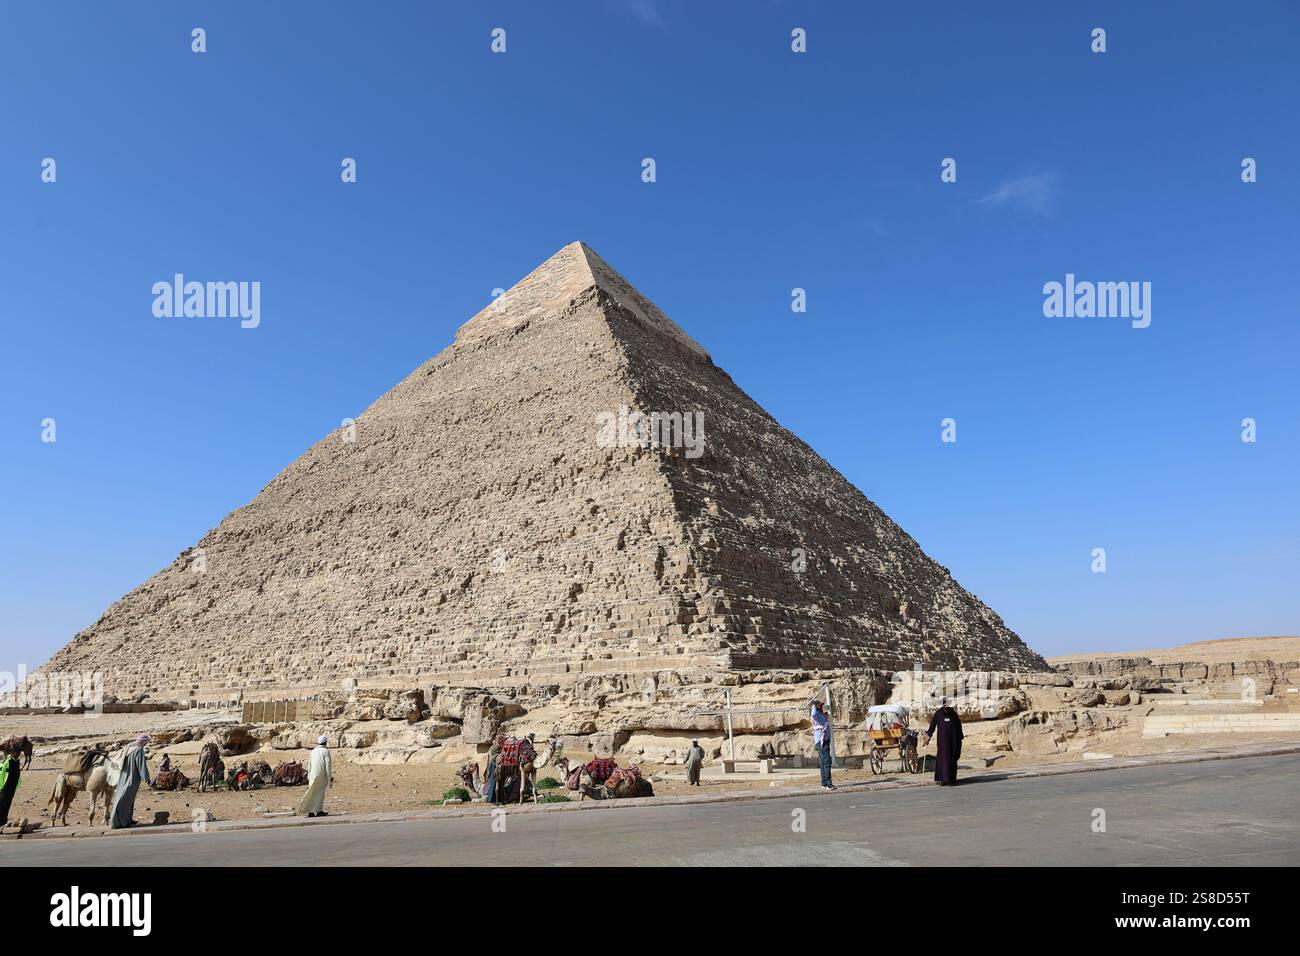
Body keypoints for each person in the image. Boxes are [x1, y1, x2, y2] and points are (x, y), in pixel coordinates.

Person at [109, 735, 152, 829]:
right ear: (143, 742)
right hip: (131, 779)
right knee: (124, 799)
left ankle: (127, 820)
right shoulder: (138, 749)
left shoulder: (129, 747)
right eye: (146, 742)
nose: (147, 744)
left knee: (127, 799)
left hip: (123, 777)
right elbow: (141, 765)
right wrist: (146, 778)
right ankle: (116, 822)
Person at [924, 699, 964, 786]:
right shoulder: (938, 714)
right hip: (943, 742)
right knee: (943, 759)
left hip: (953, 741)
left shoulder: (954, 714)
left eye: (948, 704)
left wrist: (960, 738)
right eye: (945, 704)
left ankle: (952, 780)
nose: (947, 706)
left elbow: (959, 727)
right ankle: (943, 779)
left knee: (952, 758)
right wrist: (928, 736)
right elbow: (932, 726)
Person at [298, 735, 334, 817]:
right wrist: (330, 777)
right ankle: (318, 811)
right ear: (326, 742)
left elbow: (309, 765)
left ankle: (310, 812)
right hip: (321, 775)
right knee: (320, 794)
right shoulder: (325, 751)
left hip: (312, 775)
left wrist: (309, 777)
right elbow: (328, 766)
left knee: (312, 793)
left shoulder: (313, 751)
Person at [811, 699, 834, 790]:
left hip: (824, 740)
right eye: (819, 706)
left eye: (821, 705)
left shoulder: (820, 715)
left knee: (823, 763)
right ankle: (829, 784)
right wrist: (813, 706)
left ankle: (824, 783)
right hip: (822, 742)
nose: (821, 707)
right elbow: (813, 714)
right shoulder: (815, 714)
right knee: (827, 762)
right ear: (816, 707)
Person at [0, 749, 21, 826]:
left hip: (12, 787)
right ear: (12, 753)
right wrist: (1, 788)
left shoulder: (17, 762)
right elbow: (1, 775)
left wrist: (17, 786)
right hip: (4, 788)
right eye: (17, 752)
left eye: (19, 752)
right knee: (2, 805)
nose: (18, 754)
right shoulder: (7, 762)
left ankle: (4, 821)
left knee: (7, 804)